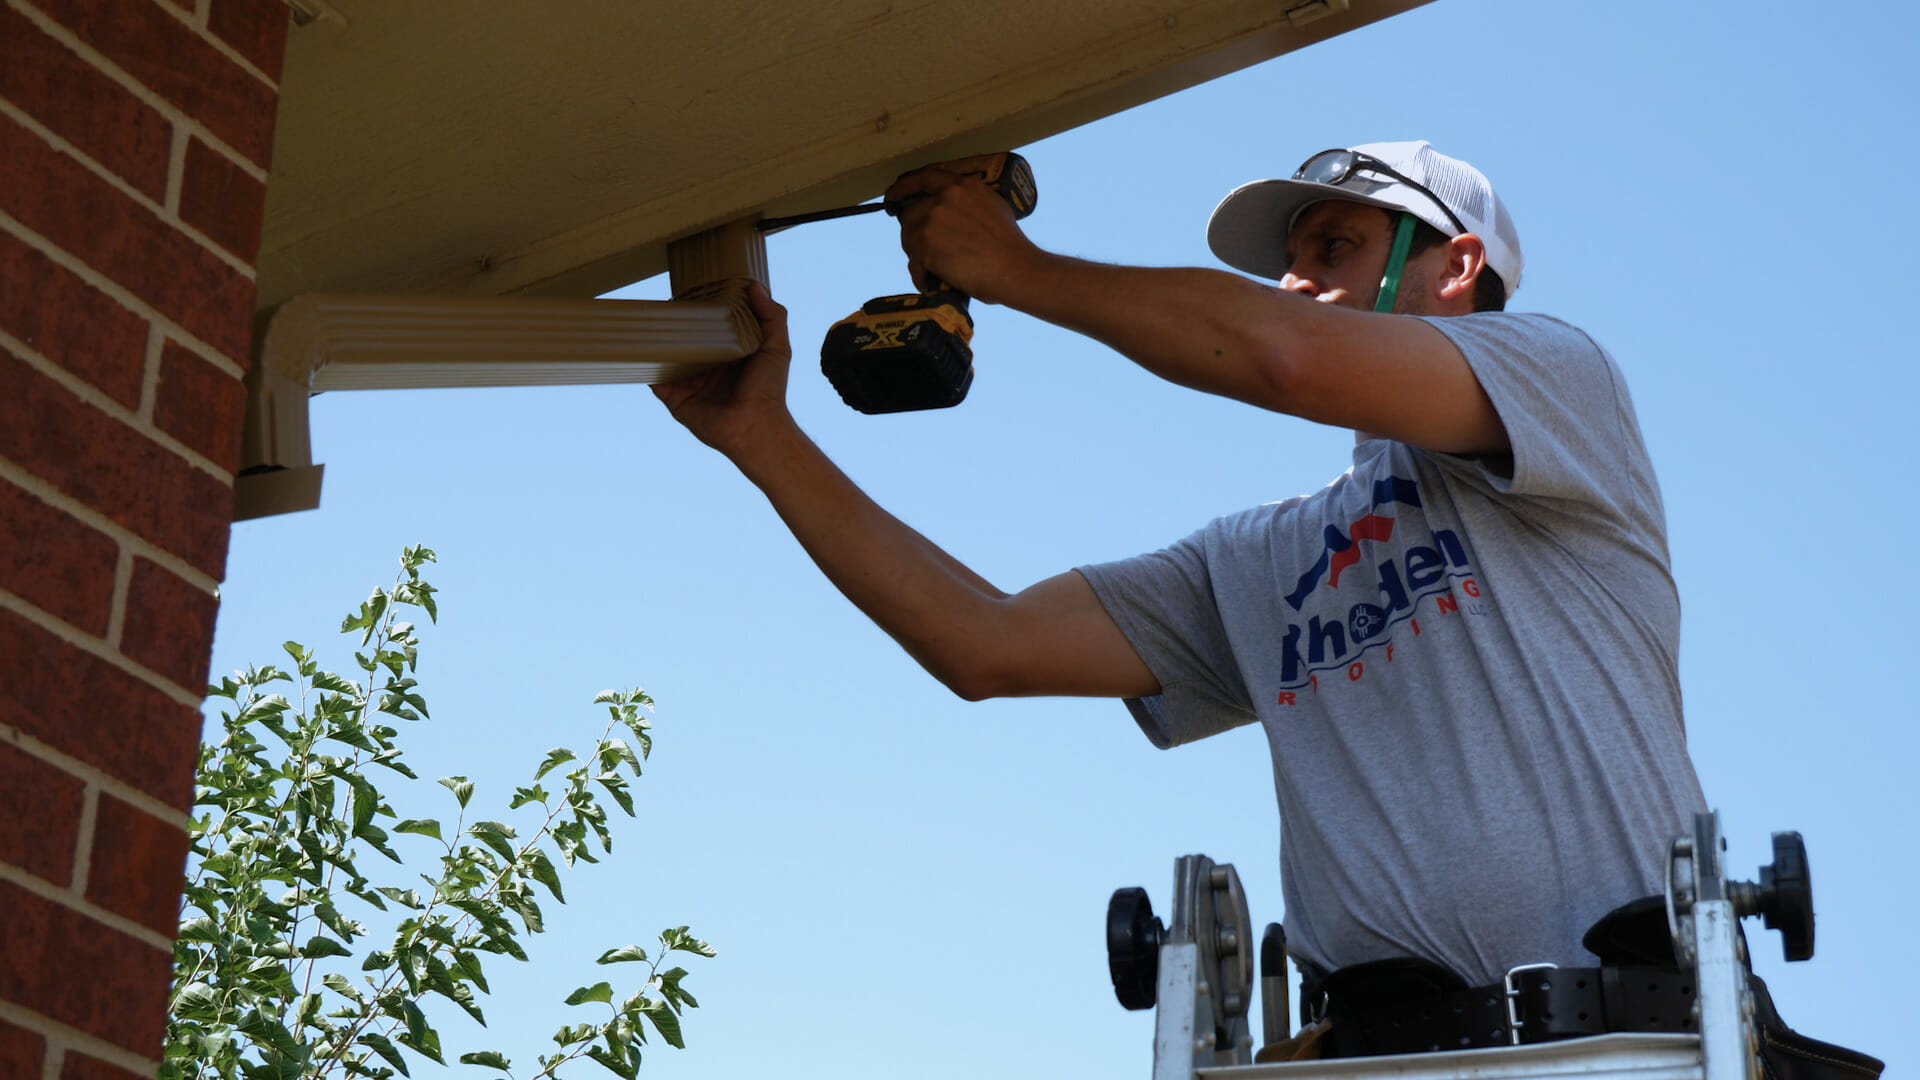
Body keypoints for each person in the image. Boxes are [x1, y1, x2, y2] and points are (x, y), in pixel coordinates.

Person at [653, 140, 1708, 1013]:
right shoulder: (1268, 560)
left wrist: (1014, 269)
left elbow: (1282, 357)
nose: (1296, 281)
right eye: (1288, 262)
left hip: (1628, 1037)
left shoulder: (1558, 383)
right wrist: (761, 439)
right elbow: (981, 642)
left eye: (1333, 245)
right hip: (1381, 1048)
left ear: (1457, 265)